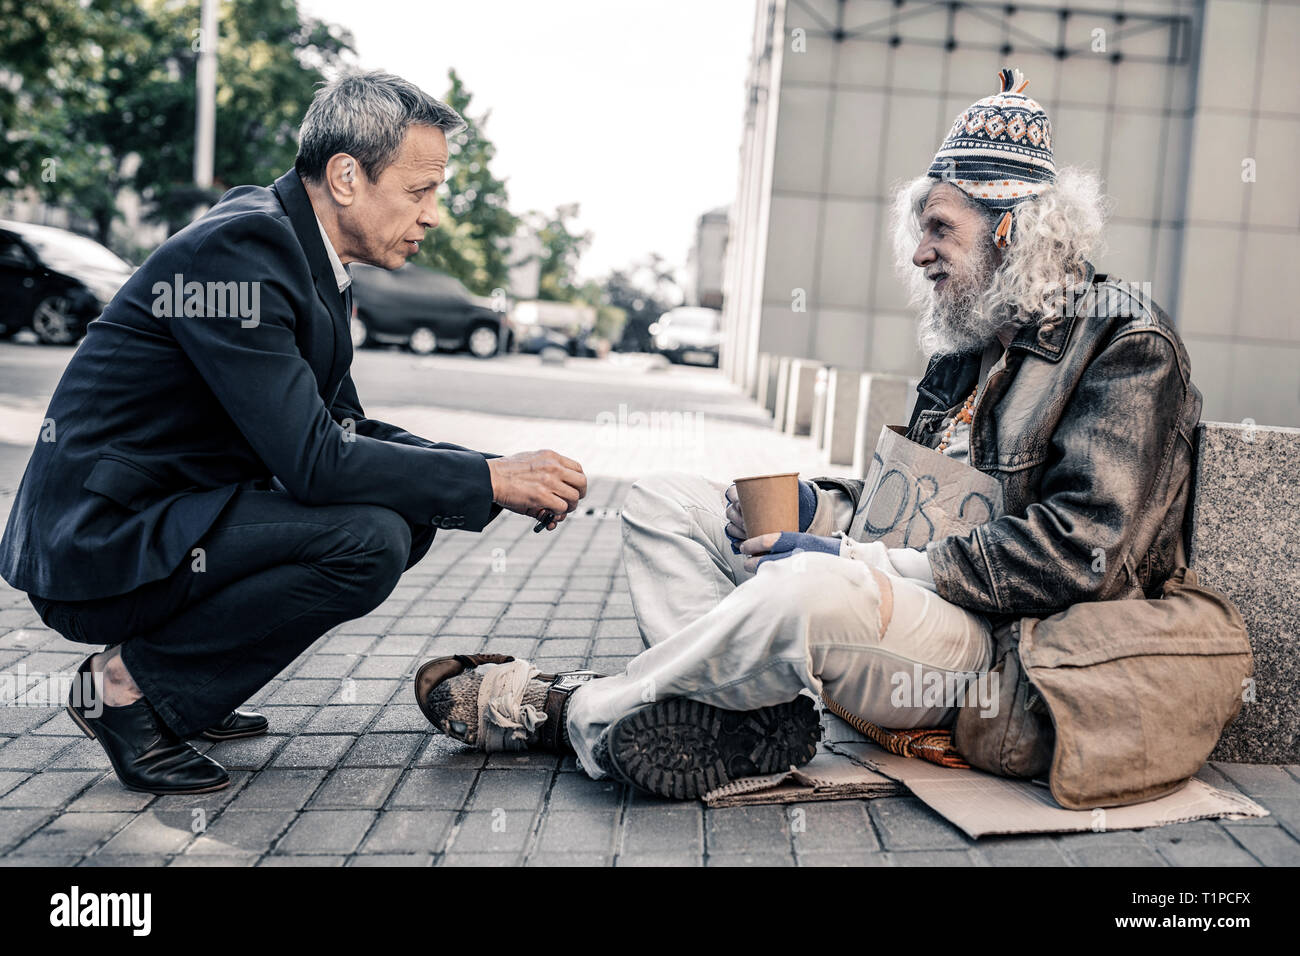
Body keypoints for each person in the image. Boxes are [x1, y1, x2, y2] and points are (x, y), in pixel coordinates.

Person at [416, 68, 1203, 800]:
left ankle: (575, 712)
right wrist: (821, 508)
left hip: (999, 654)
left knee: (807, 585)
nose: (919, 252)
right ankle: (742, 724)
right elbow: (911, 508)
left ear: (1012, 231)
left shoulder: (1127, 344)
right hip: (905, 604)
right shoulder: (972, 339)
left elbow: (1082, 552)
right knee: (662, 499)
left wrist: (850, 558)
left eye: (938, 228)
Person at [0, 72, 587, 795]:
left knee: (404, 517)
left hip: (164, 517)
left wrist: (490, 469)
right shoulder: (242, 253)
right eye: (419, 190)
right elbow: (315, 463)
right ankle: (127, 690)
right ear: (346, 176)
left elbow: (341, 426)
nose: (433, 215)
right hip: (98, 543)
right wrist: (492, 480)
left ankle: (191, 690)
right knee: (367, 539)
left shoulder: (300, 253)